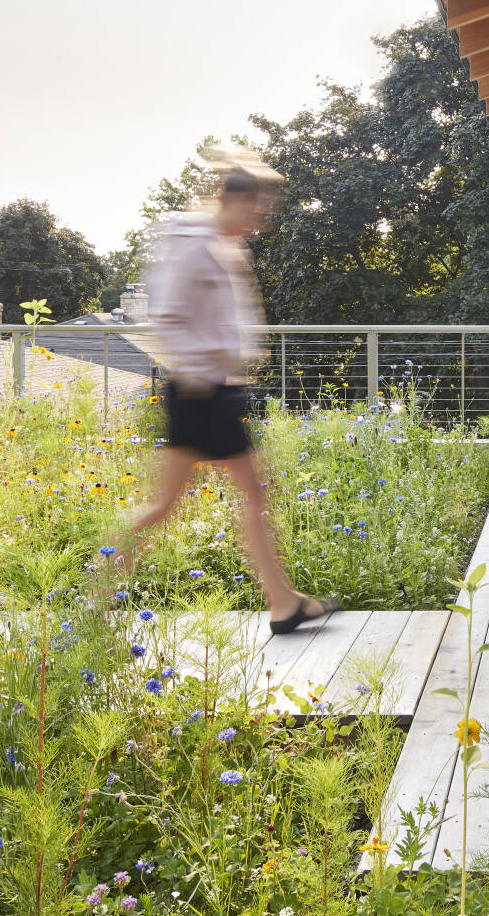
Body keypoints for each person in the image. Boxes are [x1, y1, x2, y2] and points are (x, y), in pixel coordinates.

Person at [104, 149, 338, 633]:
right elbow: (167, 313)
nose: (258, 221)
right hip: (198, 391)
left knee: (246, 493)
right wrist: (197, 374)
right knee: (183, 502)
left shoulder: (226, 246)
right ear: (233, 200)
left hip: (216, 390)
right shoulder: (193, 243)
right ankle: (100, 589)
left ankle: (282, 602)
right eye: (254, 211)